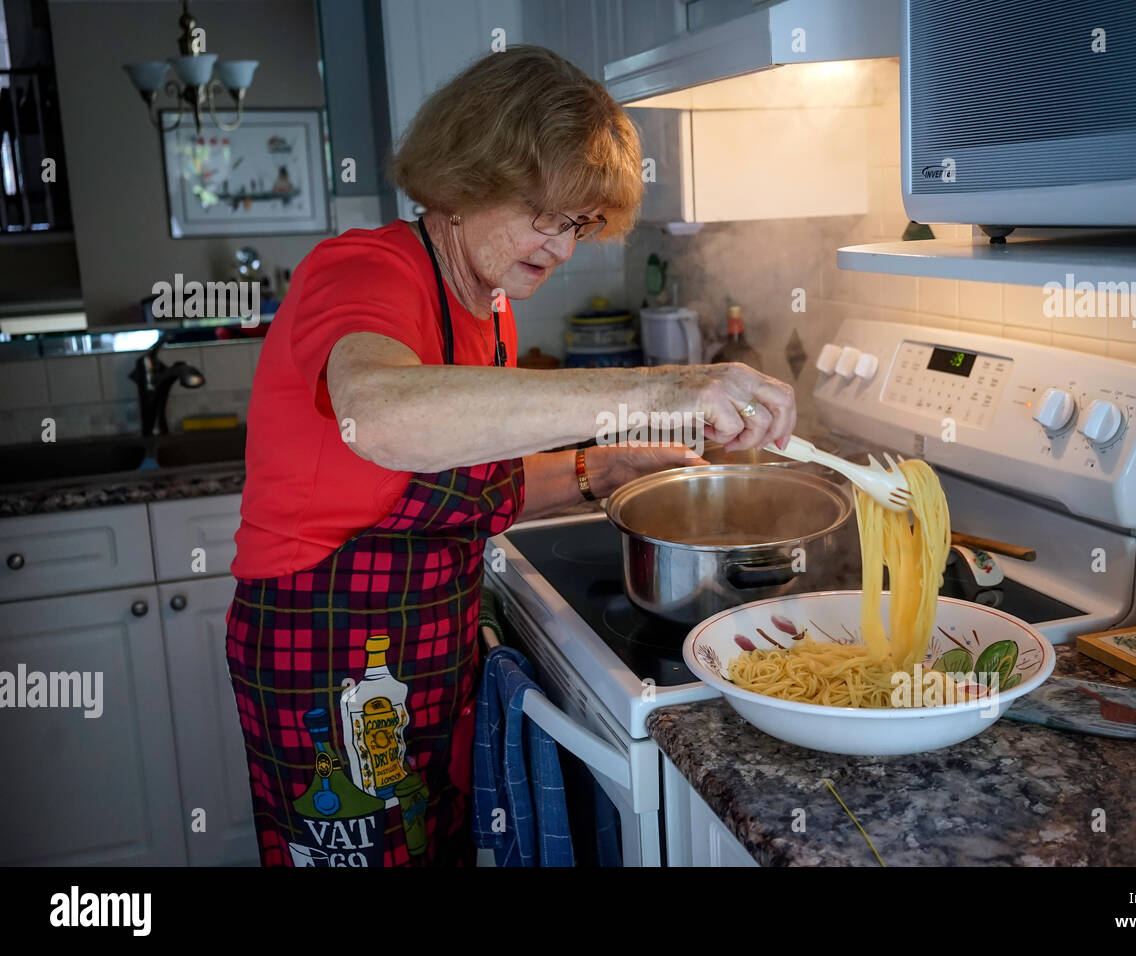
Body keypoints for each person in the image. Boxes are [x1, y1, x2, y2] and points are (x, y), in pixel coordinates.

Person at [224, 45, 795, 867]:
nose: (562, 247)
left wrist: (598, 469)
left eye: (580, 224)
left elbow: (440, 481)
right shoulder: (365, 270)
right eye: (544, 213)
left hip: (425, 645)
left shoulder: (486, 304)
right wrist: (668, 390)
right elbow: (381, 419)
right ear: (463, 179)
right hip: (324, 653)